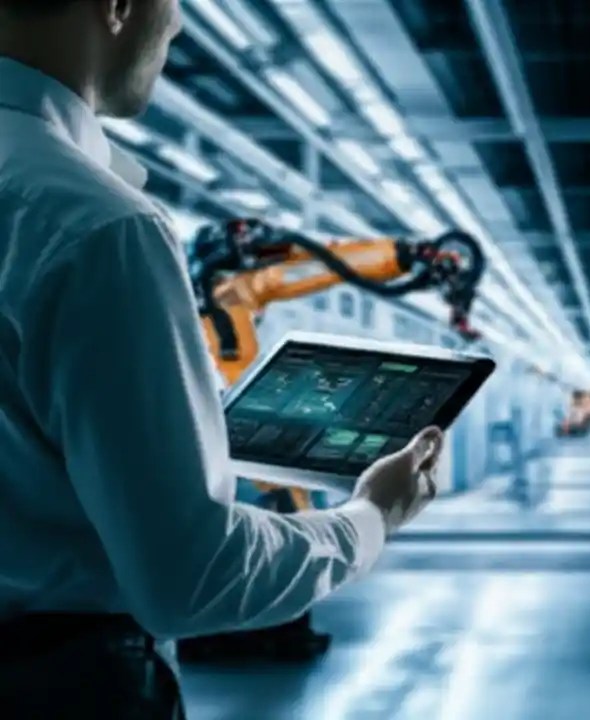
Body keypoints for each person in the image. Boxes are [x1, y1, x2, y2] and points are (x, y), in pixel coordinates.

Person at [0, 1, 444, 716]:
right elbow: (190, 575)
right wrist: (371, 519)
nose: (175, 27)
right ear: (116, 6)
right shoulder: (96, 225)